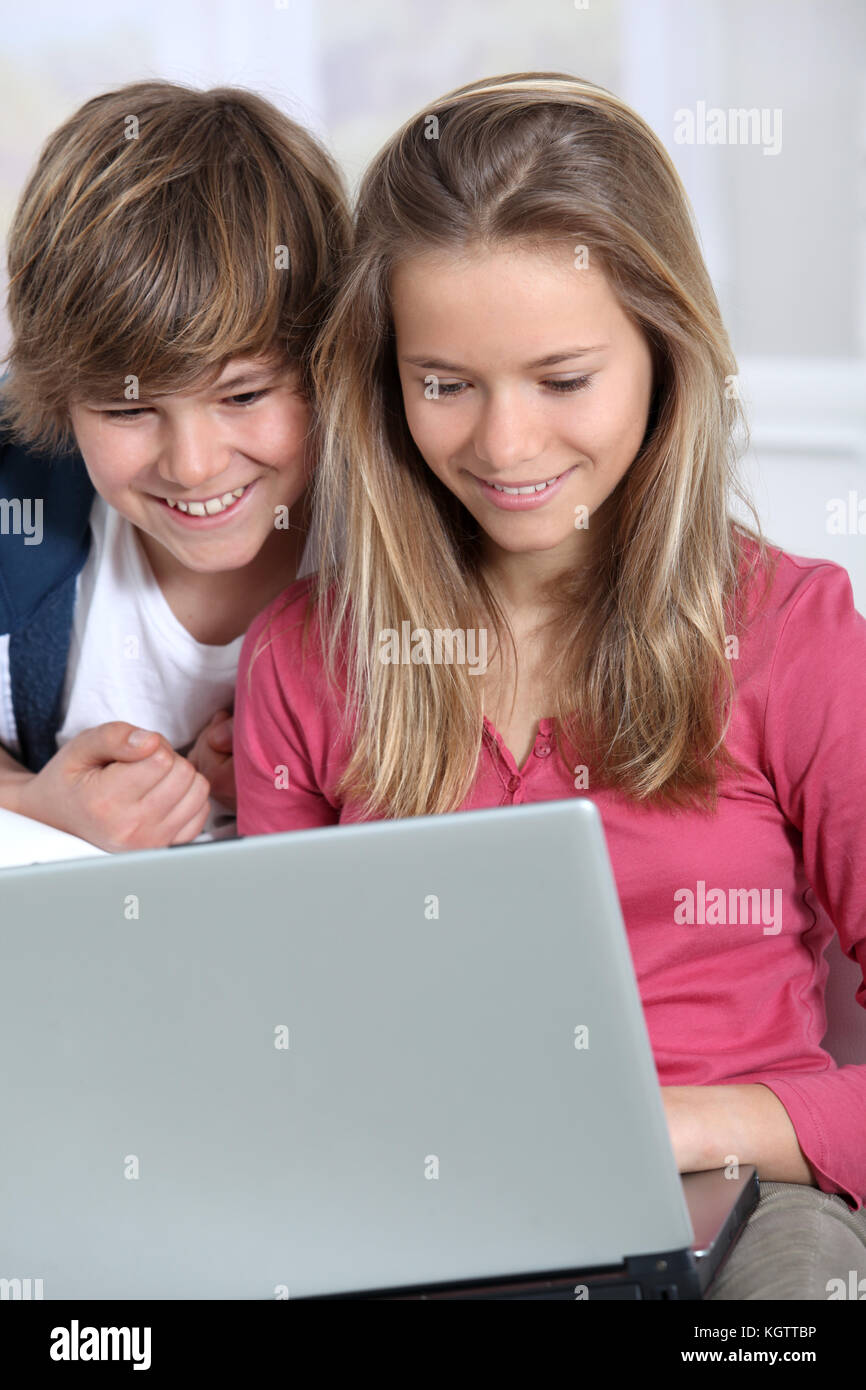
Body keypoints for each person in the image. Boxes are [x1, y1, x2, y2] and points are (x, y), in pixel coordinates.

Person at [233, 72, 866, 1298]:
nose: (504, 447)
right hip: (418, 1213)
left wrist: (680, 1126)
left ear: (663, 356)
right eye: (444, 383)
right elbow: (281, 1049)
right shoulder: (303, 657)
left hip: (740, 1208)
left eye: (562, 379)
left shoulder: (795, 635)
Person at [0, 80, 349, 852]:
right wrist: (33, 801)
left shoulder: (401, 520)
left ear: (331, 361)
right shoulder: (16, 512)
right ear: (61, 400)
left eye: (244, 394)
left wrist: (282, 771)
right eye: (128, 410)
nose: (193, 467)